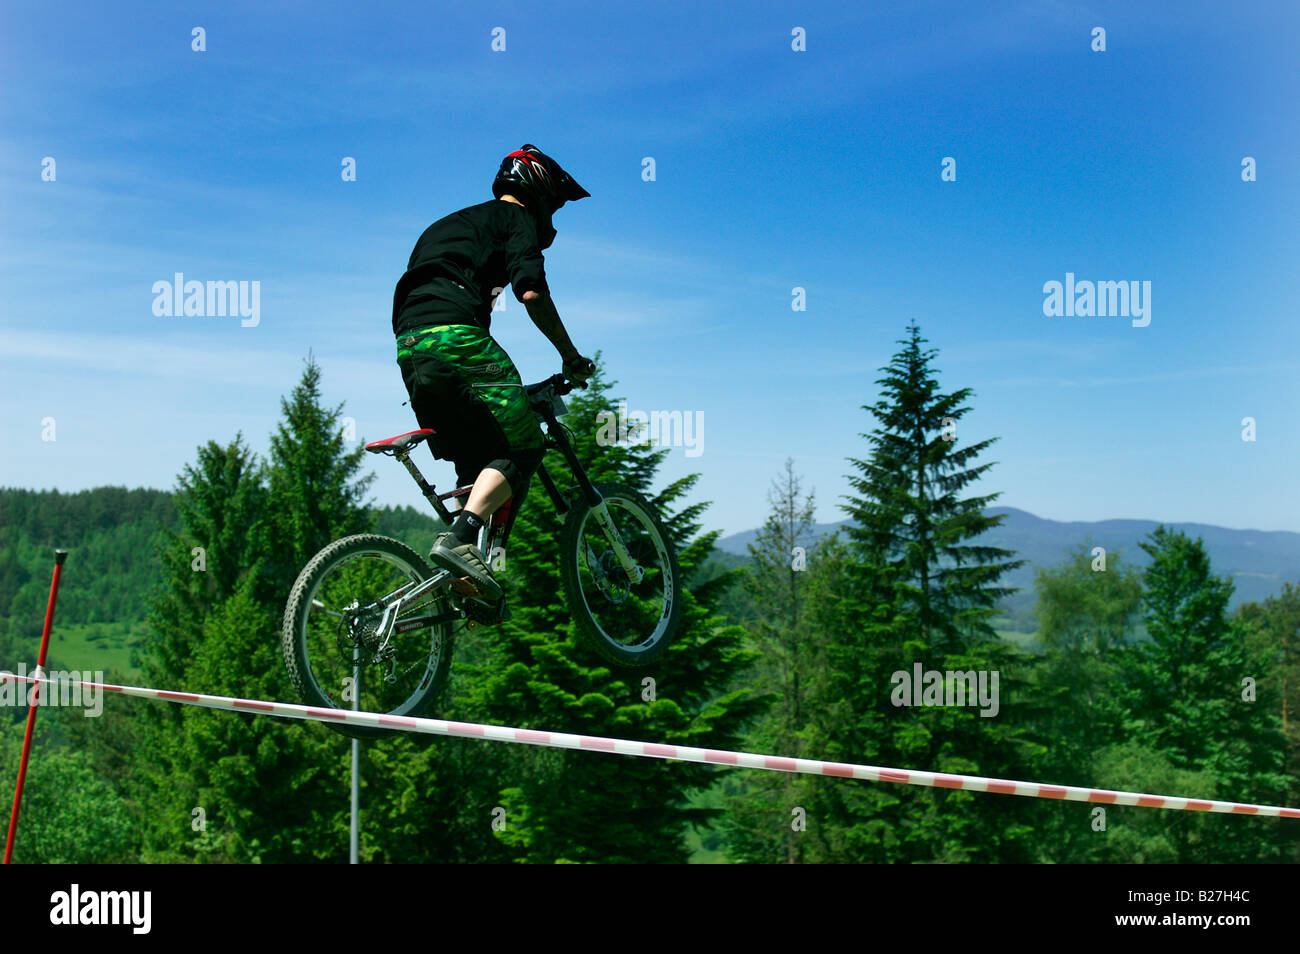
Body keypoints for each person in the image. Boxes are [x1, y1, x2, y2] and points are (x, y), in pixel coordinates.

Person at [391, 144, 595, 600]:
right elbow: (532, 293)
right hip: (458, 339)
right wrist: (569, 355)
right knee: (524, 445)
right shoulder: (515, 219)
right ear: (539, 190)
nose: (554, 219)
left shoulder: (448, 225)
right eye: (556, 206)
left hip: (411, 348)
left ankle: (468, 583)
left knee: (476, 460)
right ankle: (461, 539)